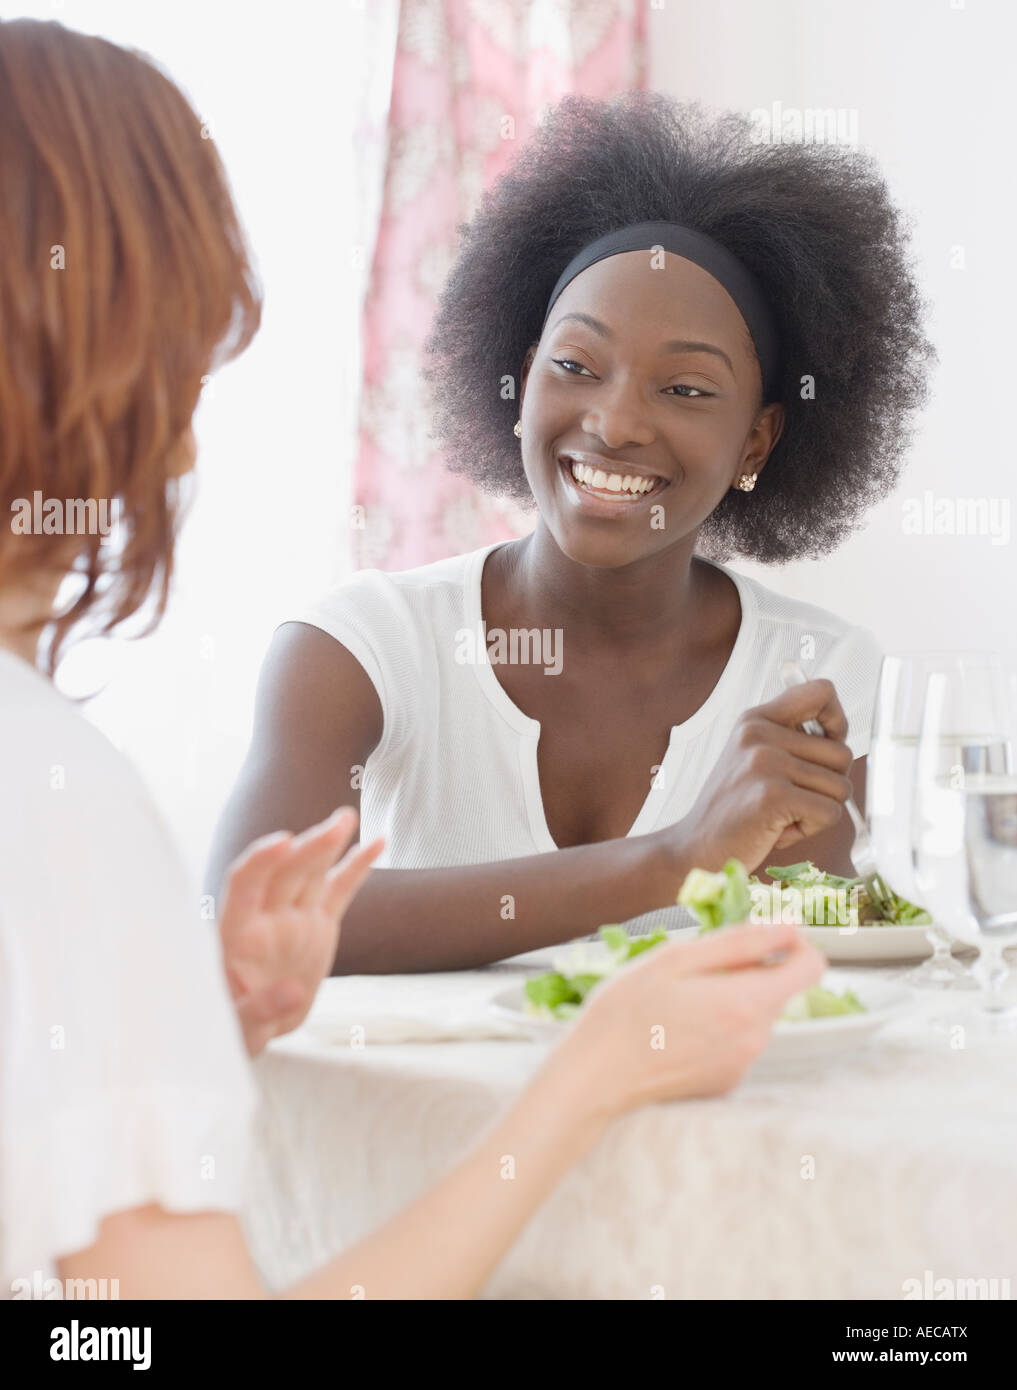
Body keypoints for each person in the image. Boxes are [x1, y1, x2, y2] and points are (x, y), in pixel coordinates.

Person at [0, 18, 825, 1301]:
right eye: (189, 350)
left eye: (687, 389)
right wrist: (598, 1070)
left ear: (762, 436)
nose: (184, 443)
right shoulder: (55, 800)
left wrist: (187, 1024)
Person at [206, 91, 935, 973]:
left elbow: (797, 981)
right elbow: (249, 921)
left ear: (758, 438)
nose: (616, 422)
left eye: (686, 389)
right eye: (576, 367)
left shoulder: (819, 679)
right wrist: (674, 859)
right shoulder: (360, 648)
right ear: (520, 387)